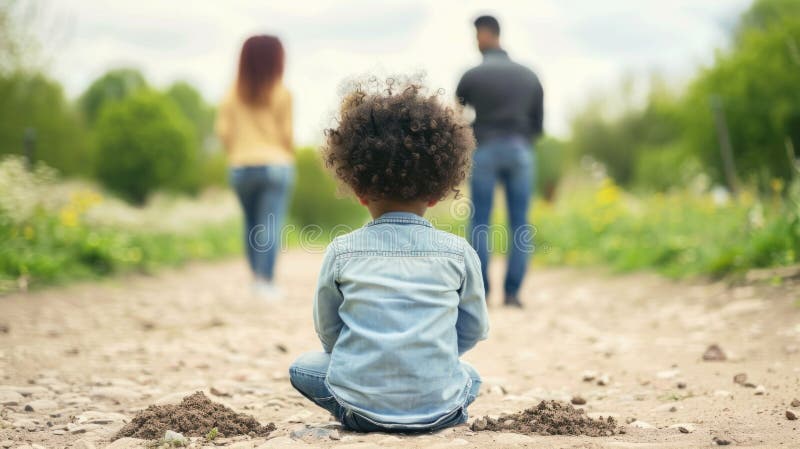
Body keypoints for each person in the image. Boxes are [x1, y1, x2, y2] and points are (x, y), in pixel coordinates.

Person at [289, 81, 489, 432]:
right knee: (471, 376)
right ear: (436, 192)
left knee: (303, 367)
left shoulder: (341, 251)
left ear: (360, 191)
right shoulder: (460, 252)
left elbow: (329, 330)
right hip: (441, 408)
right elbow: (472, 329)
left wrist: (366, 356)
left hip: (359, 409)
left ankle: (362, 410)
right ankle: (438, 400)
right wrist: (427, 355)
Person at [456, 15, 544, 308]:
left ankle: (481, 292)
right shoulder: (529, 75)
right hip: (520, 151)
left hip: (485, 150)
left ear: (484, 34)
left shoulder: (472, 76)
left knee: (480, 220)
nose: (474, 41)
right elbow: (538, 124)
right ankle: (512, 293)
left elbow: (456, 118)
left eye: (475, 35)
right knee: (520, 222)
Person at [216, 35, 294, 300]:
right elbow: (287, 135)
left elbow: (223, 132)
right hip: (275, 165)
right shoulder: (282, 93)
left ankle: (255, 280)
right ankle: (265, 281)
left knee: (250, 224)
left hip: (240, 166)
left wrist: (238, 153)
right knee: (270, 224)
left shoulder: (230, 95)